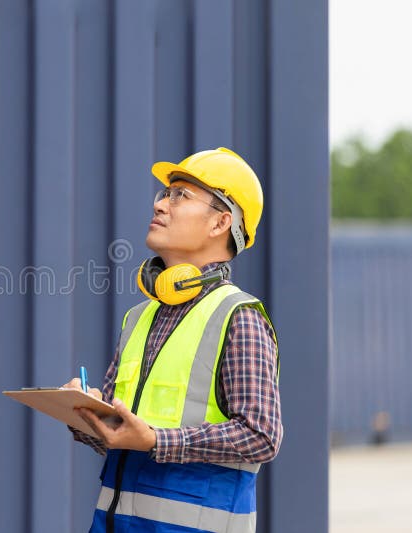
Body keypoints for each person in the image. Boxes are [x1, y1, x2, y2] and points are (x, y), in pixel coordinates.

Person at [64, 147, 282, 533]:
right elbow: (122, 437)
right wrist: (87, 415)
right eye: (164, 193)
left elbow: (261, 435)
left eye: (180, 195)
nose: (162, 204)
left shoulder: (238, 316)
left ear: (220, 223)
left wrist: (156, 441)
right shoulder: (140, 317)